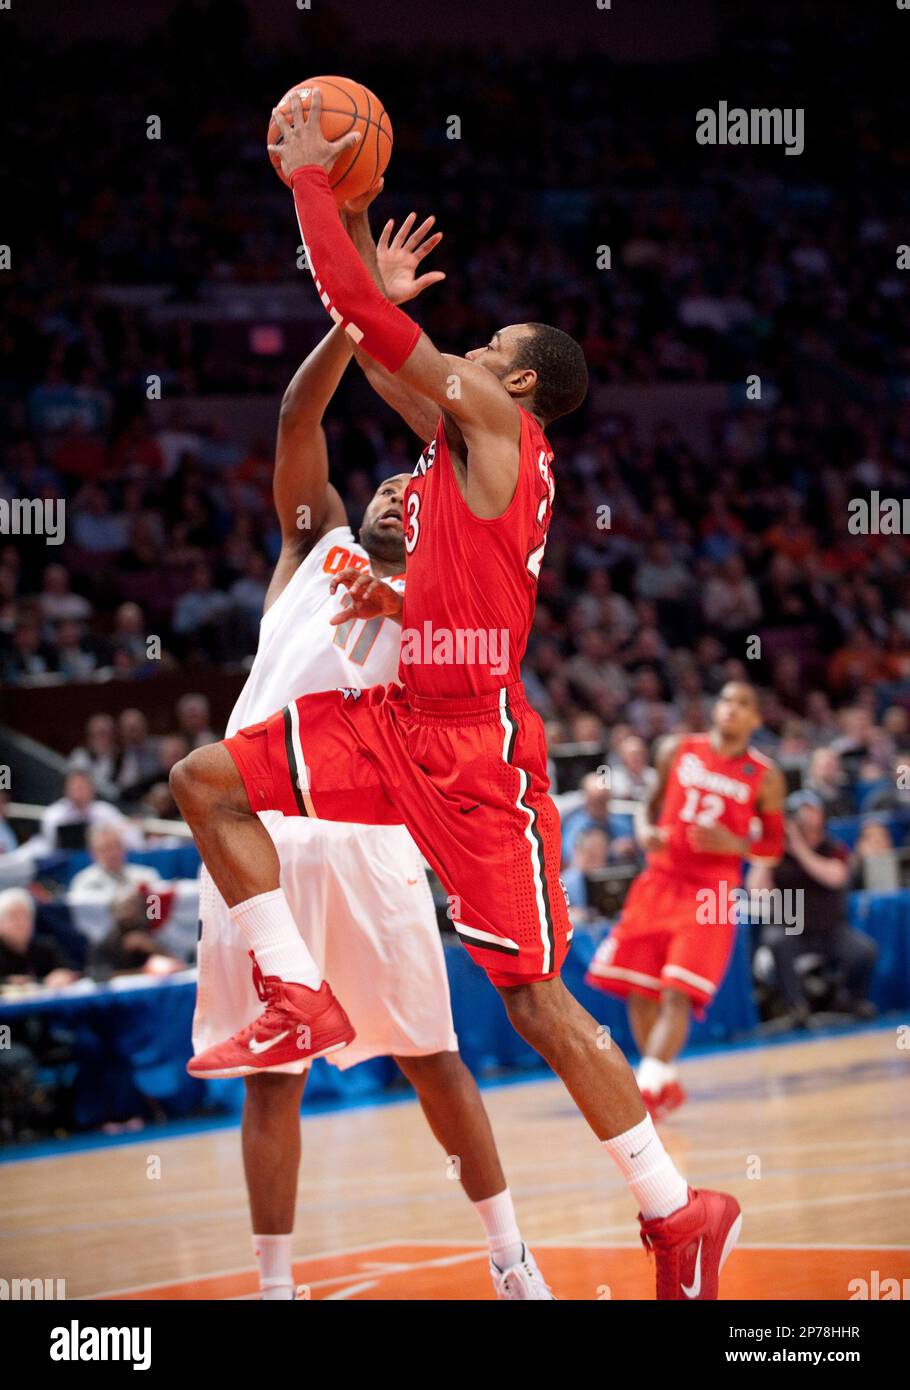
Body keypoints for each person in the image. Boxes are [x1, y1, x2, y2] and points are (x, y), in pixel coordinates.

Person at [170, 95, 743, 1302]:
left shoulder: (504, 434)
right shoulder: (452, 448)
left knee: (534, 998)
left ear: (518, 380)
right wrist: (362, 213)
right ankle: (294, 989)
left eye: (485, 348)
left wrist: (315, 191)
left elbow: (376, 323)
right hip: (394, 723)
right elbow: (367, 347)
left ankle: (673, 1205)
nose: (465, 351)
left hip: (475, 752)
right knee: (203, 783)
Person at [183, 215, 554, 1301]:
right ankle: (275, 1285)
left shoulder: (447, 597)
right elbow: (299, 414)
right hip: (256, 836)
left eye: (412, 487)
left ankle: (511, 1256)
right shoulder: (313, 543)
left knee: (432, 1058)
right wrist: (353, 317)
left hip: (370, 838)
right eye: (386, 485)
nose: (397, 492)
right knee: (273, 1079)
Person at [586, 682, 786, 1118]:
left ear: (756, 719)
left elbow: (772, 846)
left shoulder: (765, 774)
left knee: (677, 992)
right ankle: (662, 1081)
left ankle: (646, 1088)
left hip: (710, 892)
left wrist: (733, 844)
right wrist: (643, 831)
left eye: (744, 703)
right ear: (716, 708)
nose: (732, 708)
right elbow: (648, 805)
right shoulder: (677, 749)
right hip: (659, 880)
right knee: (641, 991)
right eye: (727, 700)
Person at [750, 794, 878, 1021]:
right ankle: (794, 1007)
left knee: (864, 951)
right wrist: (768, 849)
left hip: (830, 929)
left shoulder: (833, 848)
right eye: (803, 821)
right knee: (777, 941)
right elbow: (756, 890)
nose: (810, 827)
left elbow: (834, 877)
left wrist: (799, 848)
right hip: (790, 927)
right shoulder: (778, 854)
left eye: (815, 820)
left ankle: (848, 1001)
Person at [0, 888, 78, 987]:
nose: (21, 924)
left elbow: (72, 972)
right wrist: (7, 983)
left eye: (25, 917)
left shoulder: (45, 947)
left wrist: (63, 975)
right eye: (14, 918)